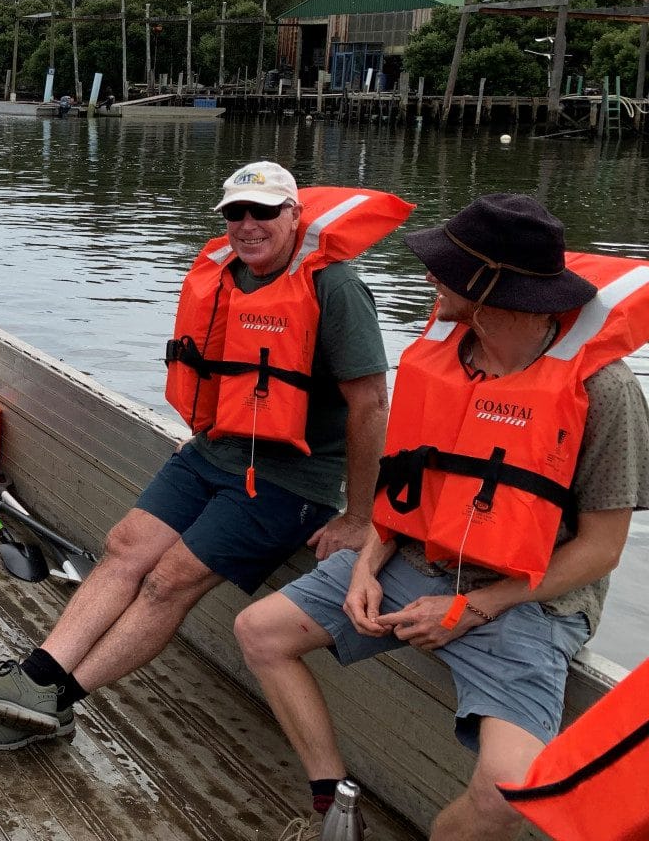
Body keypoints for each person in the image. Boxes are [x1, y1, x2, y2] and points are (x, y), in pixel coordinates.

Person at [0, 161, 405, 749]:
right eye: (235, 212)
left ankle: (52, 702)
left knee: (169, 581)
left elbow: (370, 406)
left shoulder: (335, 286)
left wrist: (359, 516)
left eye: (263, 211)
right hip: (214, 450)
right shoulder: (226, 273)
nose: (247, 224)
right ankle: (38, 677)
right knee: (124, 547)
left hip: (289, 477)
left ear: (294, 215)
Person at [234, 194, 649, 840]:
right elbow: (407, 491)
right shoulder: (443, 351)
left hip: (525, 602)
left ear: (489, 290)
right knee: (260, 632)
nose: (429, 272)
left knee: (506, 795)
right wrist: (367, 566)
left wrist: (472, 609)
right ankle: (334, 811)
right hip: (412, 561)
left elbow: (601, 550)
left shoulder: (606, 390)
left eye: (445, 265)